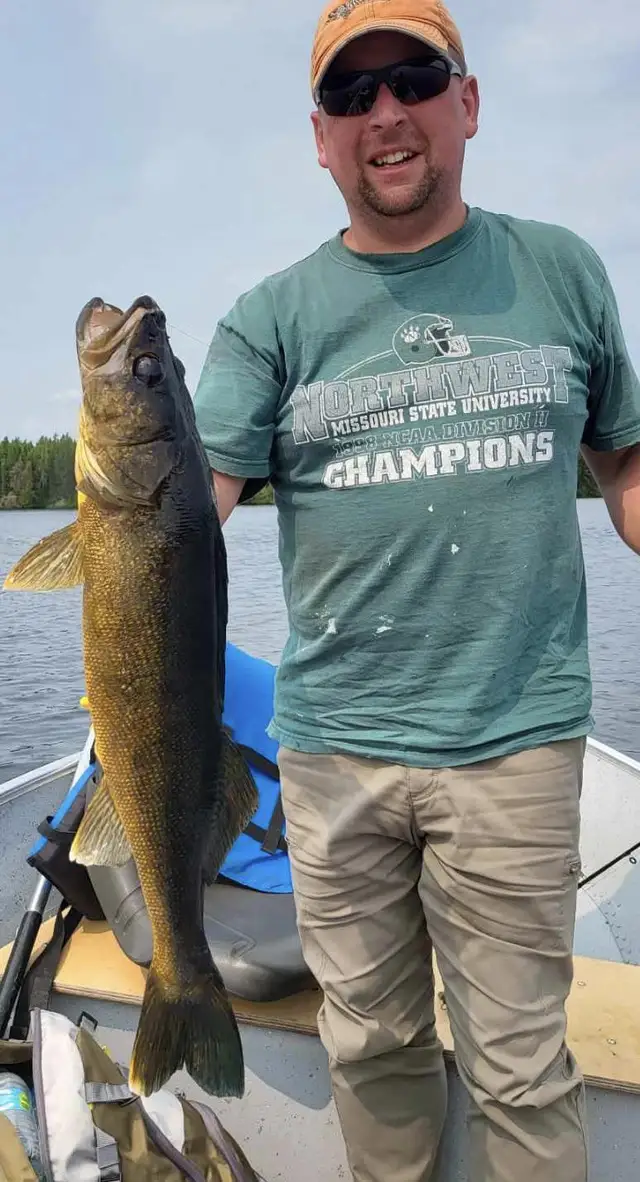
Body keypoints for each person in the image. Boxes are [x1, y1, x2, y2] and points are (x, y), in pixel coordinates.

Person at [193, 1, 640, 1178]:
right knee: (374, 1047)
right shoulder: (270, 318)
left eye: (413, 79)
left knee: (521, 1068)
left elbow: (625, 462)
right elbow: (191, 508)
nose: (384, 112)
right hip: (336, 752)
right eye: (351, 95)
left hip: (516, 740)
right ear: (322, 138)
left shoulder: (558, 269)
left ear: (468, 103)